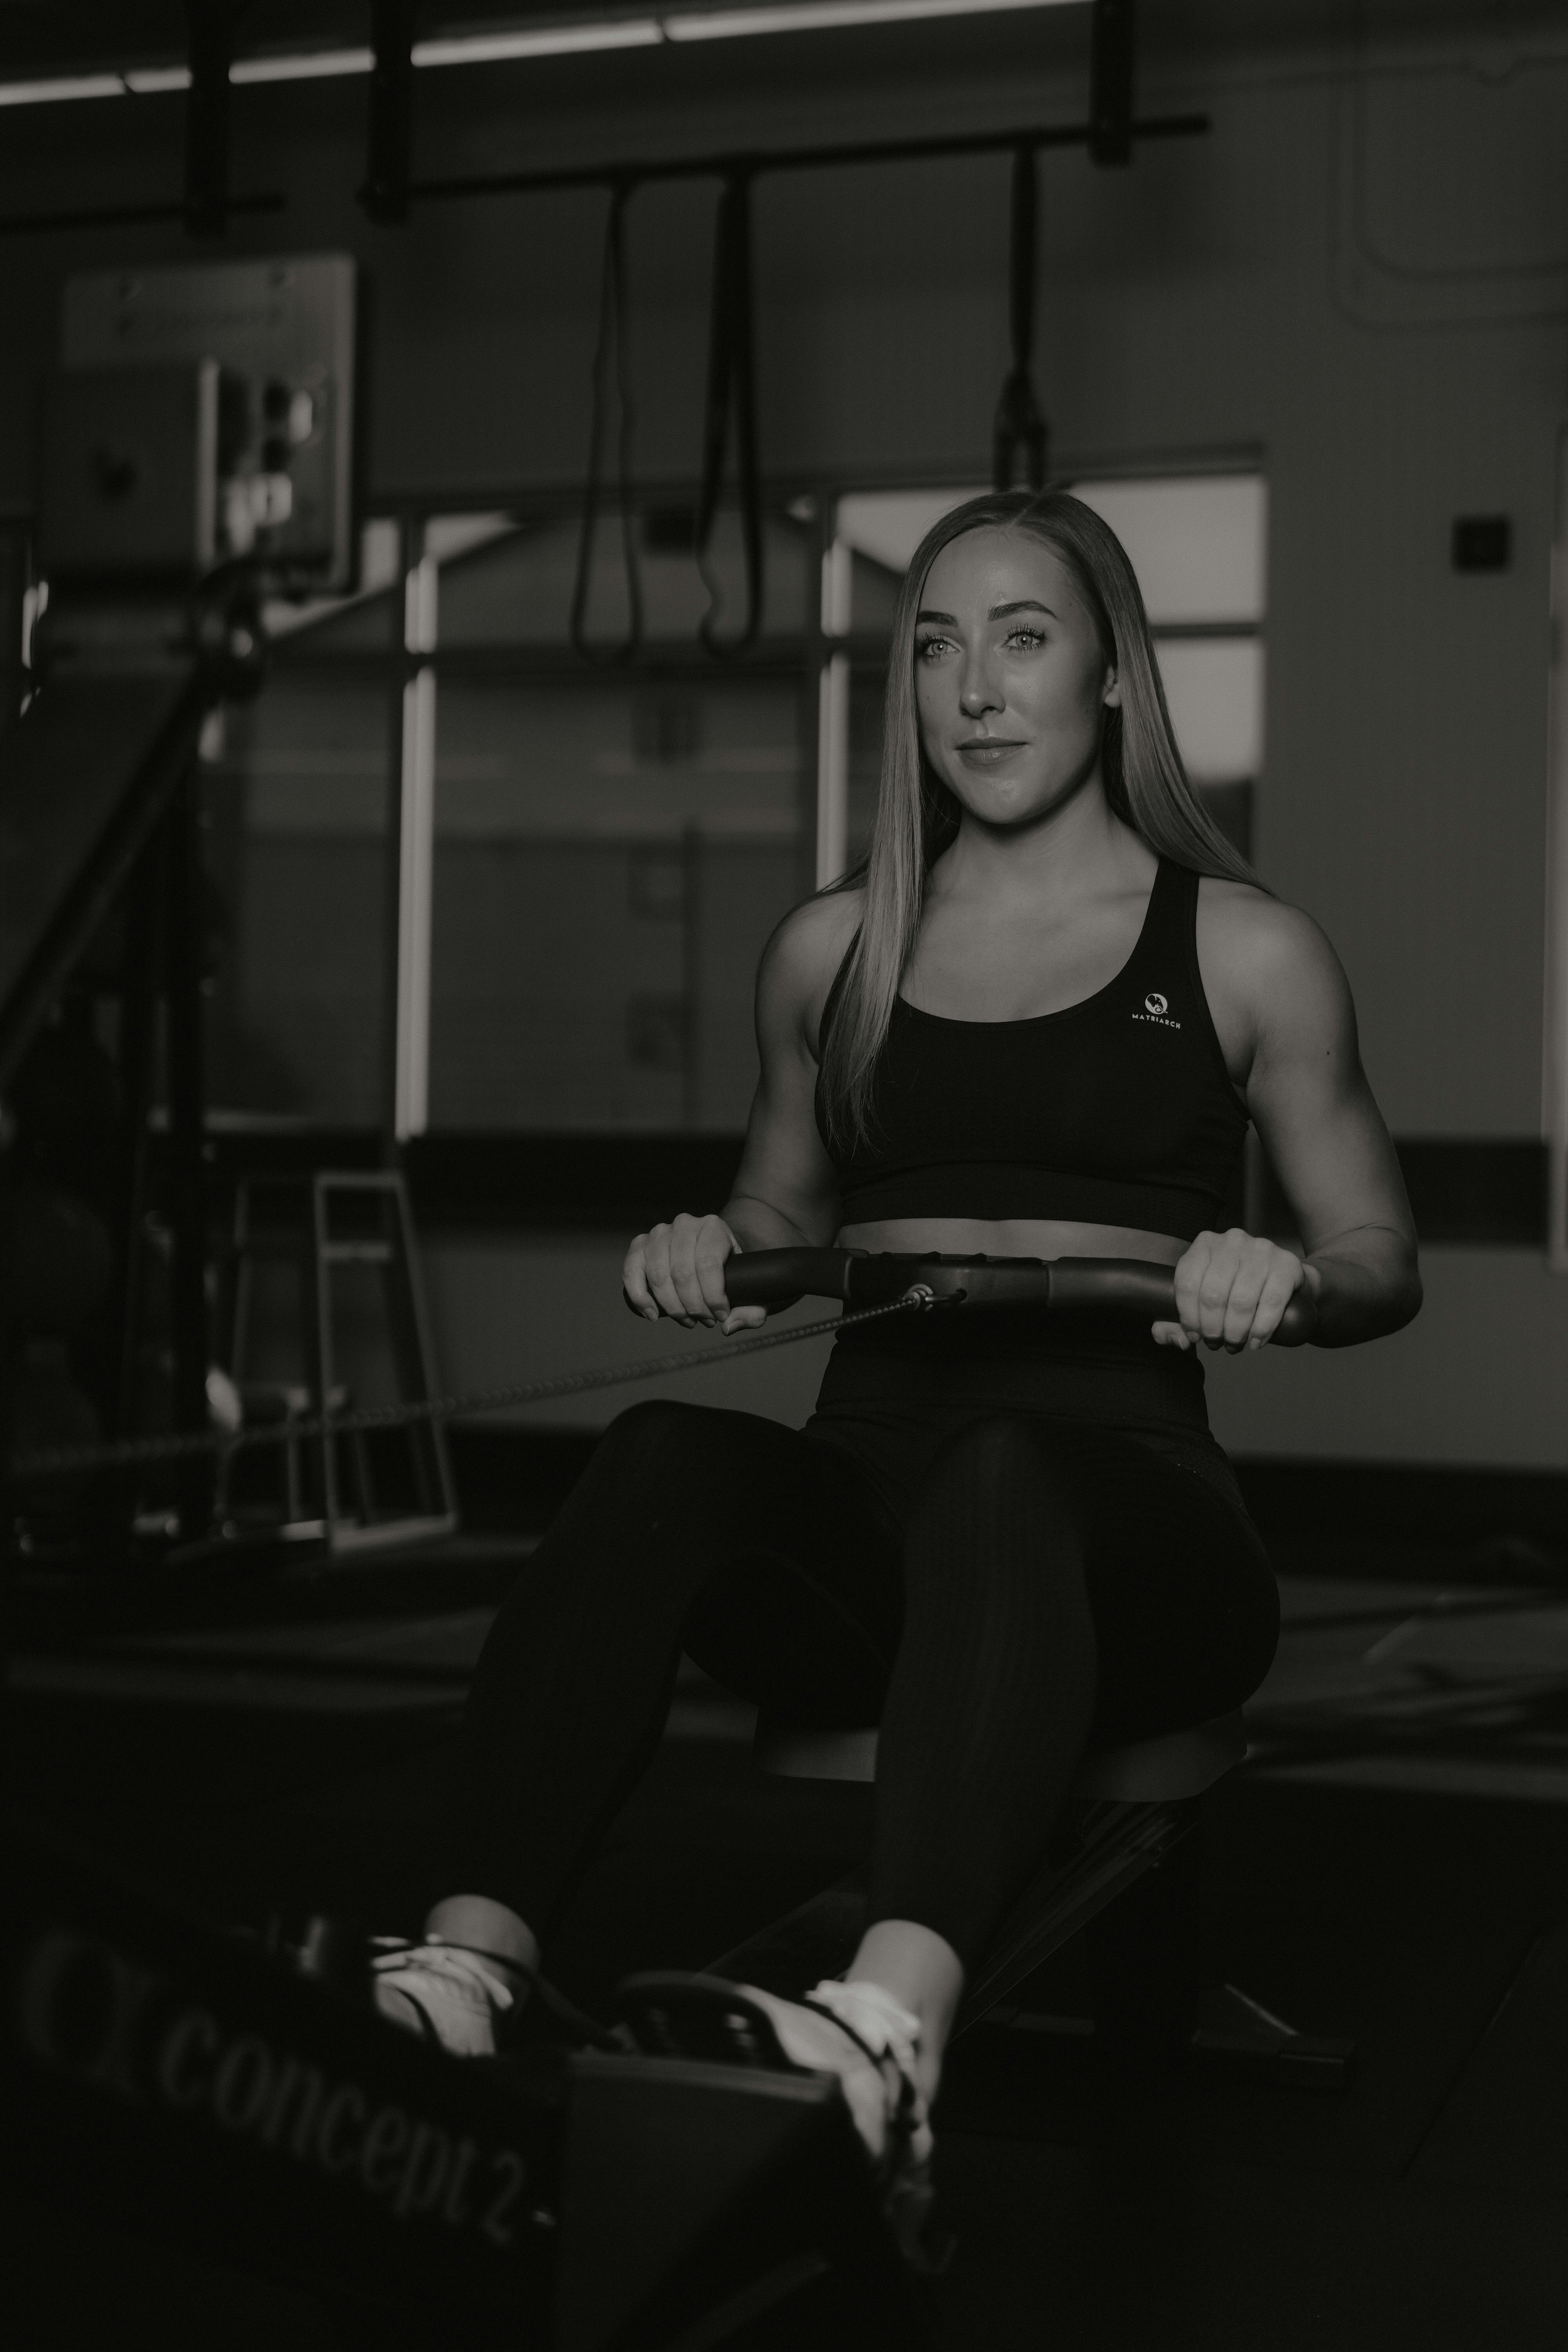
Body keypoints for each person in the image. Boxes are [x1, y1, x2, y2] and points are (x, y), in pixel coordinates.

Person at [370, 489, 1420, 2244]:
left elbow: (1380, 1258)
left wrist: (1282, 1279)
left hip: (1135, 1535)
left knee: (1007, 1467)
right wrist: (706, 1246)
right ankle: (464, 1973)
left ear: (1109, 675)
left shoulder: (1241, 948)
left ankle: (887, 2036)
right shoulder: (829, 948)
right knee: (661, 1455)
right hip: (877, 1522)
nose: (975, 688)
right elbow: (777, 1201)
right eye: (936, 645)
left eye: (1022, 638)